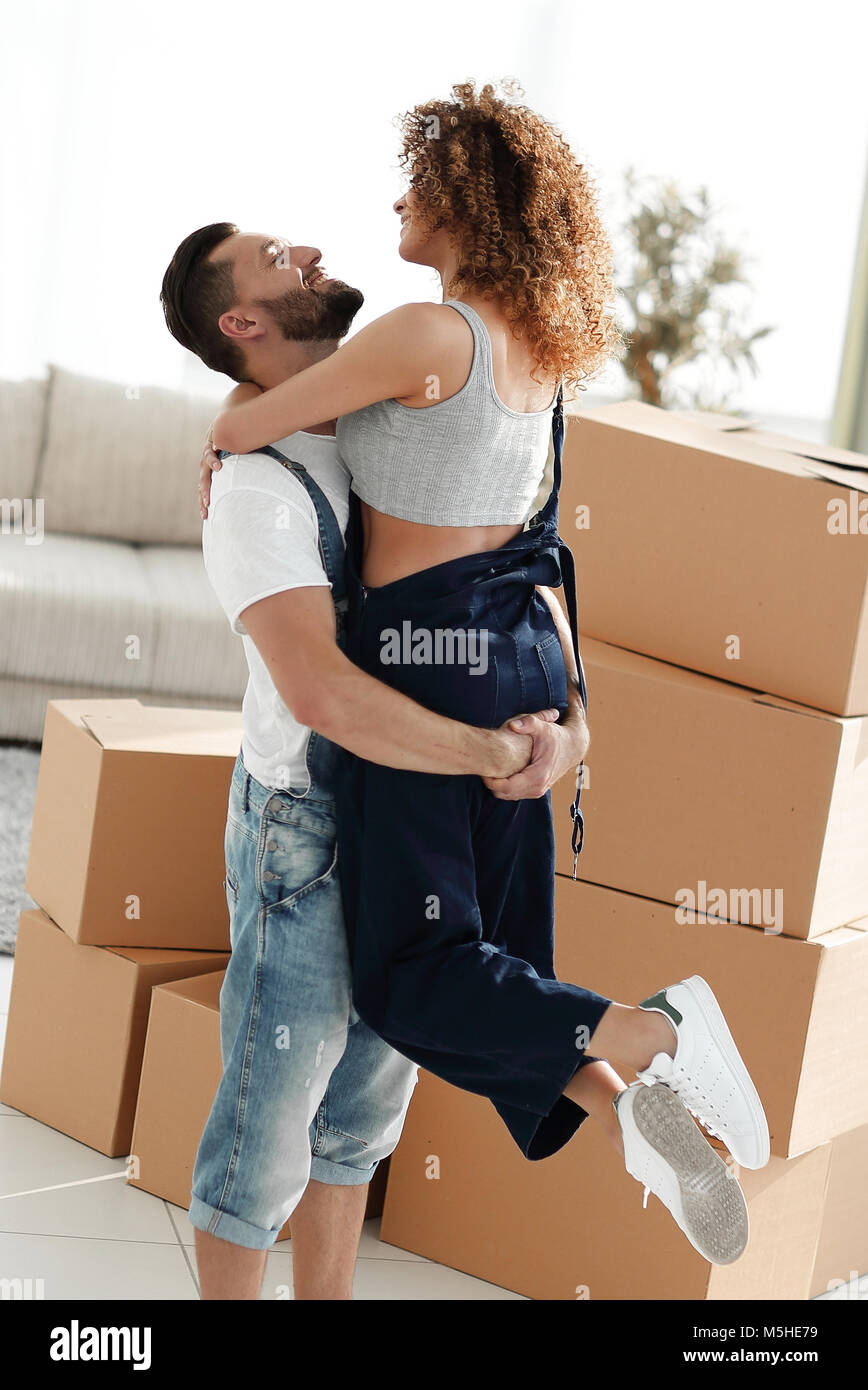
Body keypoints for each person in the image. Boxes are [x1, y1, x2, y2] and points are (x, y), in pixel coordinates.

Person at [198, 81, 769, 1268]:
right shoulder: (541, 355)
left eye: (417, 178)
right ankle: (622, 1101)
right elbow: (542, 548)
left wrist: (216, 442)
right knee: (482, 959)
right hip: (511, 653)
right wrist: (567, 721)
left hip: (422, 665)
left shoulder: (420, 330)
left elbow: (255, 425)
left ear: (463, 198)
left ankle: (651, 1032)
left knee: (413, 979)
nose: (397, 200)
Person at [160, 222, 584, 1300]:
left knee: (358, 1122)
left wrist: (559, 726)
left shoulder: (372, 417)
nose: (307, 248)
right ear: (241, 322)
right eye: (273, 257)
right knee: (266, 1135)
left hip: (412, 813)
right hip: (307, 829)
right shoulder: (257, 492)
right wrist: (490, 751)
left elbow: (504, 563)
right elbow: (322, 693)